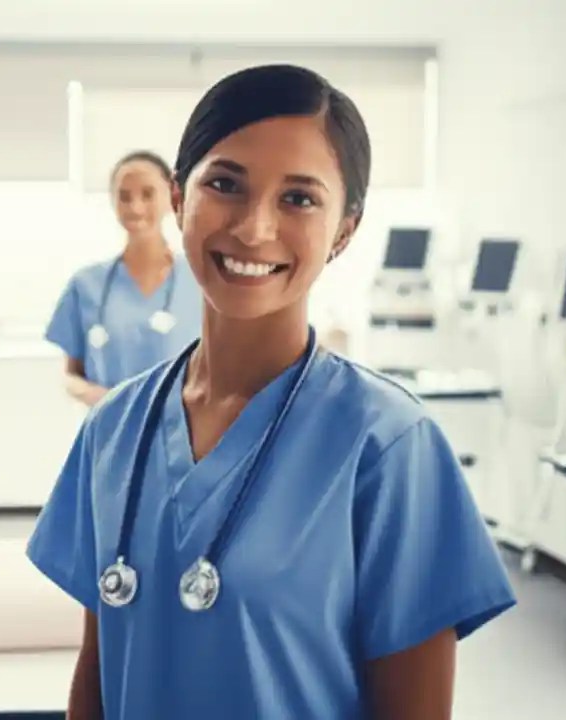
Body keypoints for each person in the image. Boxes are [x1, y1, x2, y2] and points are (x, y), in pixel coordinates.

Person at [26, 65, 516, 719]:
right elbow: (97, 676)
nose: (255, 228)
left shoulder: (388, 445)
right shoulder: (116, 429)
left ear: (344, 230)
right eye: (226, 184)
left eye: (299, 198)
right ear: (179, 199)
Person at [45, 151, 202, 406]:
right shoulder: (86, 285)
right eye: (124, 196)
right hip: (109, 432)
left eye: (147, 194)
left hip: (182, 431)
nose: (136, 207)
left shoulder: (200, 280)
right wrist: (98, 398)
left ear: (172, 196)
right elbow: (71, 375)